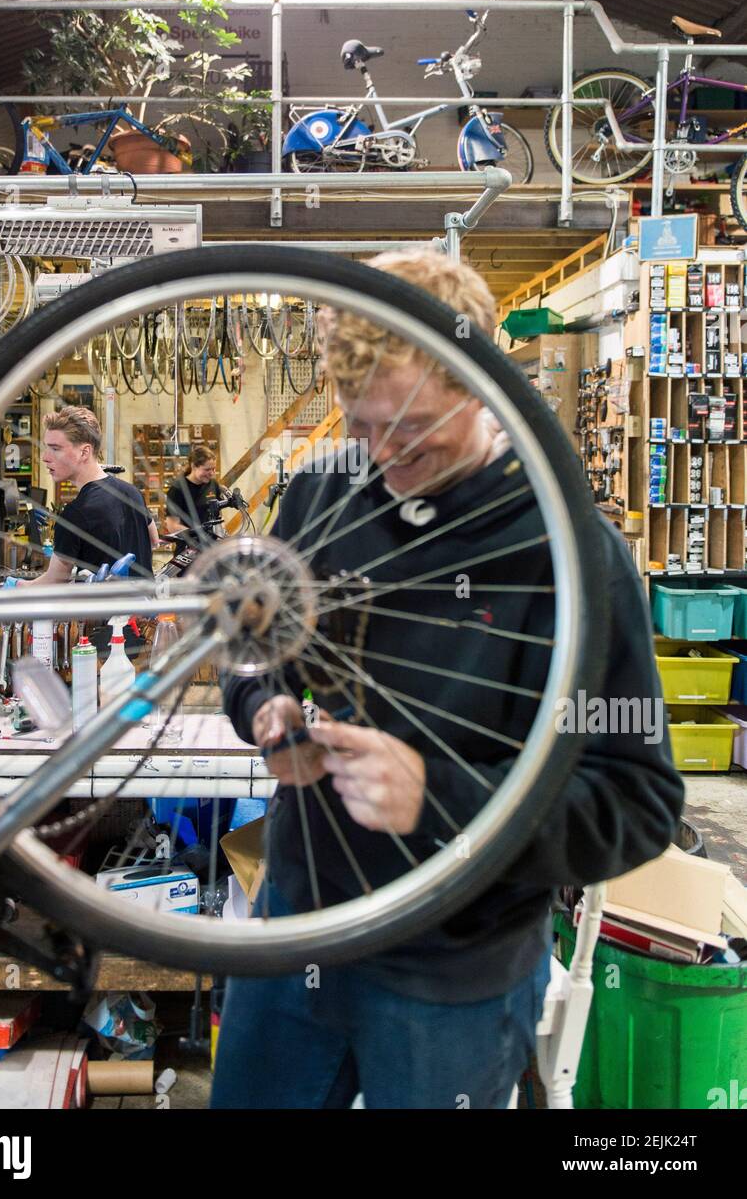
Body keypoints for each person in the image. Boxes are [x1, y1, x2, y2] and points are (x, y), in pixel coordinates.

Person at [211, 247, 684, 1111]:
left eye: (413, 432)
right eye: (361, 428)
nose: (385, 460)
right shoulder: (321, 495)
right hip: (298, 922)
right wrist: (262, 707)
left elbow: (638, 802)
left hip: (451, 969)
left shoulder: (574, 556)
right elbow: (253, 647)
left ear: (481, 385)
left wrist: (440, 798)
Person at [20, 405, 158, 585]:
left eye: (55, 448)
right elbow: (154, 540)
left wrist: (18, 586)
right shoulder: (131, 492)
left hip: (103, 612)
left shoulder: (75, 515)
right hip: (144, 608)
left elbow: (53, 582)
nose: (45, 457)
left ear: (84, 452)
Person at [164, 445, 223, 535]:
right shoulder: (178, 489)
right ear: (193, 466)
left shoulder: (213, 484)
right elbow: (172, 526)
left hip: (212, 545)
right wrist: (199, 535)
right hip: (189, 546)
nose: (211, 473)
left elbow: (218, 515)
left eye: (213, 469)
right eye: (207, 469)